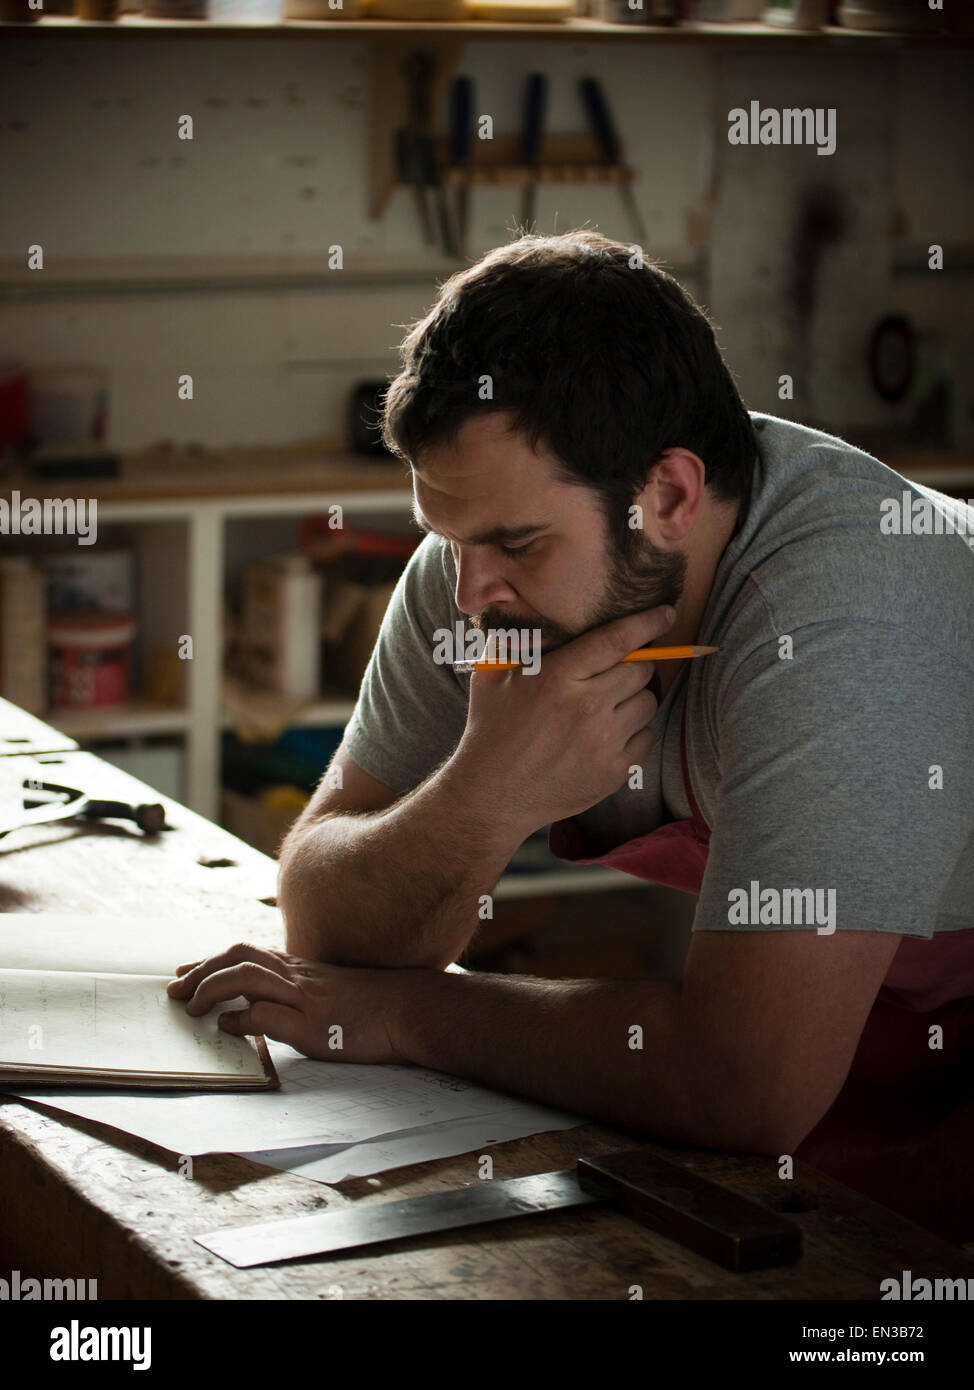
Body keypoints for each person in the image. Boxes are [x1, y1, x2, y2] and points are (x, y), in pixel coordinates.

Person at [169, 231, 974, 1244]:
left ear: (670, 496)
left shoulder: (846, 616)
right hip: (837, 1055)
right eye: (448, 538)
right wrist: (478, 795)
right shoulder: (480, 566)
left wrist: (413, 1015)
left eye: (514, 544)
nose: (467, 596)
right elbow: (332, 937)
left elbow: (743, 1083)